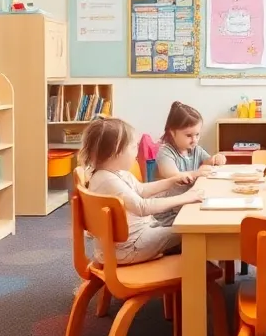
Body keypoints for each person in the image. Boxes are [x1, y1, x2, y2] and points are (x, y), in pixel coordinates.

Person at [80, 117, 203, 265]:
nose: (137, 152)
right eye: (133, 147)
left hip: (132, 240)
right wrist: (186, 197)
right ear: (116, 152)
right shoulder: (107, 180)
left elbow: (141, 189)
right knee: (193, 233)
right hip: (129, 248)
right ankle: (197, 277)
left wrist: (171, 181)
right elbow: (143, 207)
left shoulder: (114, 172)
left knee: (181, 226)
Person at [153, 101, 226, 226]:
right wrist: (197, 173)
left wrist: (216, 159)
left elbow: (208, 162)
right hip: (171, 211)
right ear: (172, 132)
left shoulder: (195, 149)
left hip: (190, 202)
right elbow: (174, 176)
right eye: (189, 135)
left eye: (197, 134)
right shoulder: (166, 152)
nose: (194, 140)